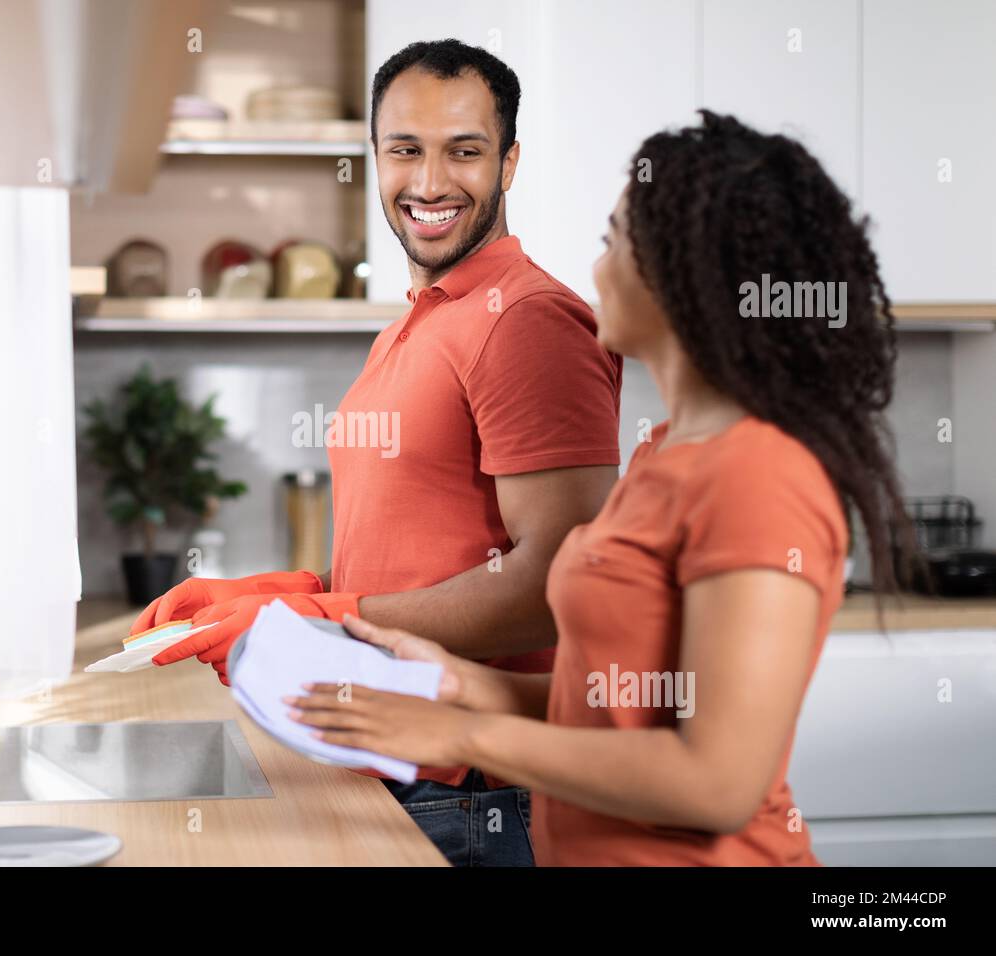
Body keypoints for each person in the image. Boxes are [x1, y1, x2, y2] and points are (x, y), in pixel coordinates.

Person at [285, 110, 914, 866]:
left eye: (613, 242)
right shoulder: (662, 458)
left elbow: (717, 782)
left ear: (687, 274)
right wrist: (454, 683)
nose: (595, 271)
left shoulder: (758, 476)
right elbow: (613, 711)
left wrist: (464, 736)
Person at [132, 39, 623, 867]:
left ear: (509, 164)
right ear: (375, 160)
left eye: (464, 151)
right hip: (399, 762)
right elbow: (419, 555)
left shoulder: (528, 320)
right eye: (405, 150)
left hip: (480, 788)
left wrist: (328, 621)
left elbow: (561, 585)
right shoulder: (411, 325)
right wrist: (287, 592)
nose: (430, 183)